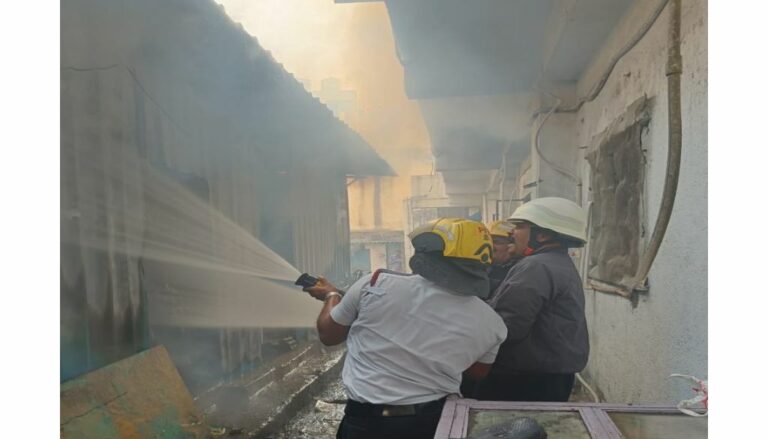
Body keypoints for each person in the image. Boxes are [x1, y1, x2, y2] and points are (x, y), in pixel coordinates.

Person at [303, 218, 507, 439]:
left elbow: (329, 335)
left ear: (427, 251)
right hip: (433, 423)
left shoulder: (373, 284)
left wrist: (331, 296)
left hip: (365, 423)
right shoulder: (492, 323)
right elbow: (476, 372)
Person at [476, 197, 589, 402]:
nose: (511, 233)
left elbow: (507, 326)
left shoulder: (536, 266)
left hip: (526, 380)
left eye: (520, 226)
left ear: (543, 235)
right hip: (549, 376)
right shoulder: (557, 262)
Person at [486, 220, 521, 294]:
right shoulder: (481, 265)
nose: (490, 246)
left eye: (496, 242)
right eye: (487, 241)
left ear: (512, 246)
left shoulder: (520, 270)